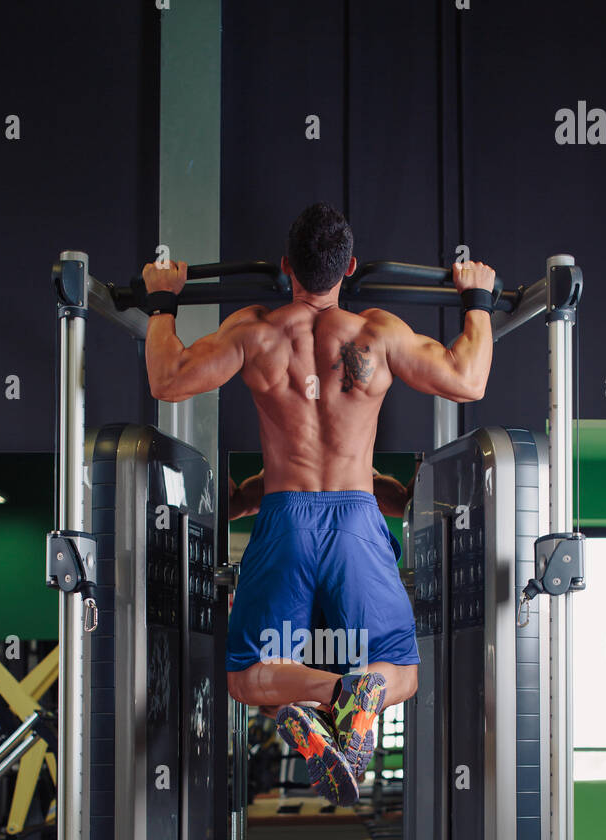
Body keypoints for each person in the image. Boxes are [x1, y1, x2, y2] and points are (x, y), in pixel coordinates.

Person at [142, 203, 496, 804]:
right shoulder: (377, 334)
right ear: (350, 267)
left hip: (285, 517)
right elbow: (468, 380)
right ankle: (356, 694)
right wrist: (478, 301)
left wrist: (162, 300)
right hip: (357, 518)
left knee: (247, 677)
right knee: (402, 672)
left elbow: (167, 379)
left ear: (286, 267)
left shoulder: (255, 331)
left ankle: (327, 696)